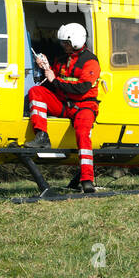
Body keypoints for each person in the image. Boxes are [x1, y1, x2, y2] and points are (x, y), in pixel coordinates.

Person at [26, 23, 101, 193]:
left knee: (83, 135)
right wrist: (43, 65)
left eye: (65, 43)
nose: (62, 46)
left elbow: (81, 88)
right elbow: (53, 80)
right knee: (36, 92)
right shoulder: (61, 60)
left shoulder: (90, 62)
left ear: (75, 42)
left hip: (84, 107)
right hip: (63, 104)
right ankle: (41, 135)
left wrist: (54, 80)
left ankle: (87, 179)